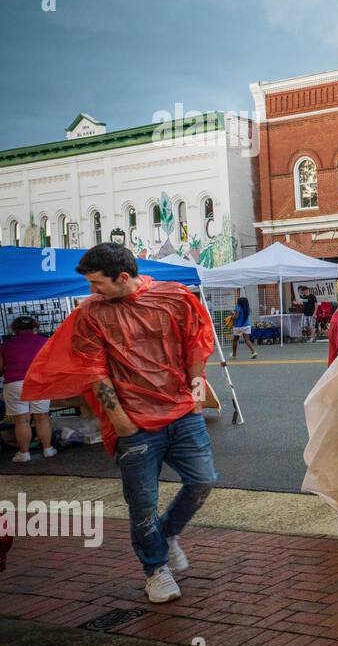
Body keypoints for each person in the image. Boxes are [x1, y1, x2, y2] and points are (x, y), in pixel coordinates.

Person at [21, 243, 216, 604]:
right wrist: (119, 419)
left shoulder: (174, 297)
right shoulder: (91, 313)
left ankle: (168, 534)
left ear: (123, 276)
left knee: (203, 481)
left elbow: (195, 345)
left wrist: (196, 394)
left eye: (98, 283)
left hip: (181, 411)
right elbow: (94, 369)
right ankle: (155, 570)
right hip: (134, 422)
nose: (92, 291)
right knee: (142, 504)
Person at [0, 316, 56, 463]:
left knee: (21, 421)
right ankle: (48, 449)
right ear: (34, 327)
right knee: (42, 417)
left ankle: (24, 453)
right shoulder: (45, 342)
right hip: (38, 381)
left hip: (14, 383)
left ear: (14, 329)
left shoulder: (5, 345)